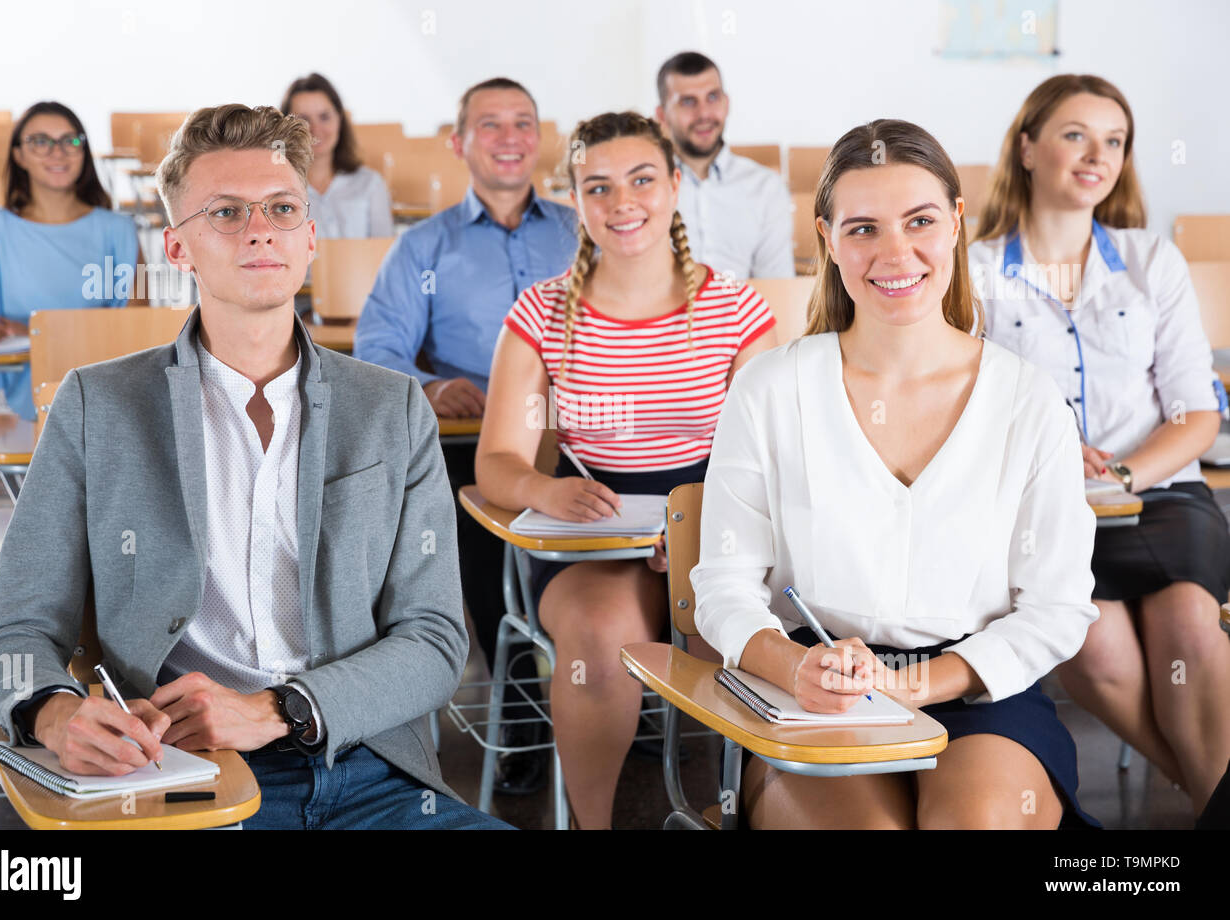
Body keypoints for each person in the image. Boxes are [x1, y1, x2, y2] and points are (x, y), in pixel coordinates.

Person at [0, 103, 508, 830]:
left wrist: (278, 711)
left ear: (310, 236)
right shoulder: (97, 405)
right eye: (224, 212)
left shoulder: (393, 409)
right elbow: (17, 627)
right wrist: (52, 711)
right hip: (189, 779)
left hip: (372, 766)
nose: (259, 229)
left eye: (281, 208)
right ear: (176, 248)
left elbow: (437, 638)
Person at [692, 118, 1101, 829]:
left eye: (919, 221)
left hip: (979, 688)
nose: (895, 252)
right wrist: (795, 669)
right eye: (862, 229)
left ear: (956, 225)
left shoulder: (1028, 399)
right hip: (813, 690)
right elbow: (723, 588)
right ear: (826, 239)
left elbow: (1058, 607)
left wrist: (920, 682)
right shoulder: (768, 389)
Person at [476, 111, 776, 829]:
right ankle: (594, 824)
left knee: (755, 627)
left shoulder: (737, 308)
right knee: (594, 634)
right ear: (575, 199)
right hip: (592, 540)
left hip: (709, 533)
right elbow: (497, 461)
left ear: (675, 185)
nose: (622, 203)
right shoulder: (542, 311)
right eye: (598, 187)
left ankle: (745, 809)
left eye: (642, 180)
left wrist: (706, 525)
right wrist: (546, 487)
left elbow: (772, 466)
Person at [970, 74, 1230, 814]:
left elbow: (1196, 412)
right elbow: (968, 408)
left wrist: (1119, 472)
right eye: (1076, 135)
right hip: (1043, 508)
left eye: (1114, 141)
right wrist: (1051, 456)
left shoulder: (1152, 259)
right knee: (1092, 644)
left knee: (1190, 625)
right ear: (1026, 146)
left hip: (1160, 495)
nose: (1098, 156)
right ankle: (1215, 798)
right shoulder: (978, 270)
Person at [353, 77, 577, 795]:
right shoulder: (424, 247)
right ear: (459, 144)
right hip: (473, 439)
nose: (510, 137)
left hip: (583, 433)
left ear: (540, 140)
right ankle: (523, 709)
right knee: (484, 553)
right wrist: (429, 388)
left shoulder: (585, 231)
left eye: (523, 123)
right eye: (490, 124)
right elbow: (376, 346)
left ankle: (622, 698)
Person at [0, 101, 142, 420]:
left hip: (99, 394)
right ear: (19, 155)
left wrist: (37, 331)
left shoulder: (119, 230)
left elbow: (136, 328)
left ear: (83, 152)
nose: (57, 153)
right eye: (40, 142)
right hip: (10, 400)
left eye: (70, 141)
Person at [654, 51, 793, 281]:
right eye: (688, 102)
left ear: (726, 103)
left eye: (712, 97)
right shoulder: (647, 187)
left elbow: (776, 285)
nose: (704, 114)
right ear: (662, 115)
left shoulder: (766, 188)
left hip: (742, 315)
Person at [281, 72, 394, 239]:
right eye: (303, 120)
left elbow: (384, 254)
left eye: (324, 117)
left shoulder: (370, 184)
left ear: (339, 120)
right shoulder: (276, 188)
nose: (315, 129)